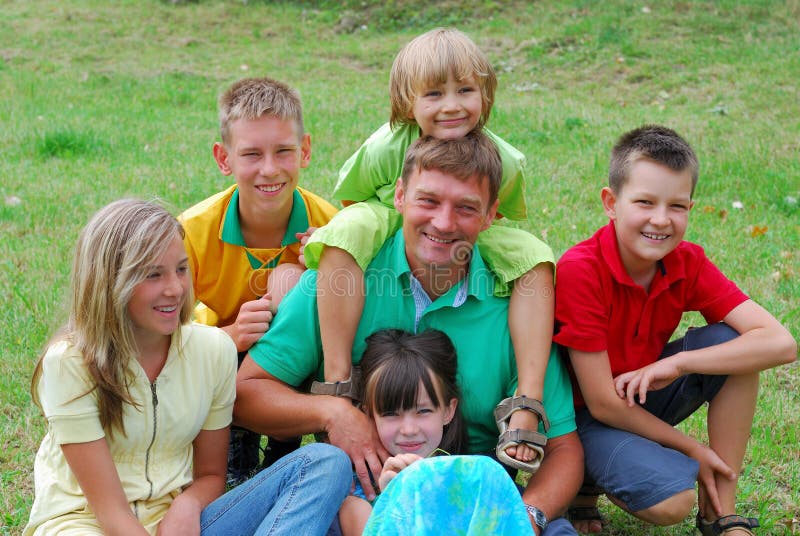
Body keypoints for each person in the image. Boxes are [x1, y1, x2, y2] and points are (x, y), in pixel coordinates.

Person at [236, 133, 583, 536]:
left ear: (490, 215)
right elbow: (246, 395)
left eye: (466, 208)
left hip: (471, 499)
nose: (444, 223)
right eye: (428, 201)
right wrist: (333, 412)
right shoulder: (340, 280)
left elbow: (564, 448)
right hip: (362, 489)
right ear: (400, 195)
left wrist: (525, 518)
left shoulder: (518, 305)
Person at [302, 28, 554, 473]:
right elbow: (355, 196)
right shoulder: (386, 146)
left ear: (485, 95)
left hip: (472, 222)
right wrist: (368, 232)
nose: (451, 106)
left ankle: (527, 400)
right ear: (407, 102)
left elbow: (504, 212)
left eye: (465, 91)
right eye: (434, 94)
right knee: (345, 233)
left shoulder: (504, 159)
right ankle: (338, 380)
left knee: (536, 259)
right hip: (390, 211)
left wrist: (469, 229)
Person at [24, 199, 351, 535]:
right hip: (86, 524)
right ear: (109, 283)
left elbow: (210, 475)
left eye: (181, 269)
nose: (175, 289)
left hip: (178, 525)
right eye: (153, 275)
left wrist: (190, 503)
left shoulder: (213, 350)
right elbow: (110, 512)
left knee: (325, 464)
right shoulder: (69, 363)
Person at [553, 125, 797, 535]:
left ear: (690, 208)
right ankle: (582, 484)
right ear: (611, 203)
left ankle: (722, 515)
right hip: (580, 421)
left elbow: (781, 343)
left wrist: (681, 363)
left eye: (677, 206)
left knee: (734, 347)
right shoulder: (581, 270)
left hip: (638, 395)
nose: (661, 220)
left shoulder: (686, 261)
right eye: (645, 202)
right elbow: (602, 404)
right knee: (672, 501)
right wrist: (691, 448)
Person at [179, 76, 338, 484]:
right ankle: (233, 439)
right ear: (224, 158)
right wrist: (229, 336)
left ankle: (285, 444)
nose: (269, 169)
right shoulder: (191, 233)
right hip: (219, 353)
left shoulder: (331, 227)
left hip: (297, 358)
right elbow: (160, 332)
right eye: (251, 154)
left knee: (293, 282)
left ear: (305, 151)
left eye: (283, 151)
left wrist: (330, 265)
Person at [339, 328, 536, 536]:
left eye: (423, 411)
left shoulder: (475, 481)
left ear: (448, 411)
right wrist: (394, 499)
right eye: (390, 414)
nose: (409, 430)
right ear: (370, 416)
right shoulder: (357, 502)